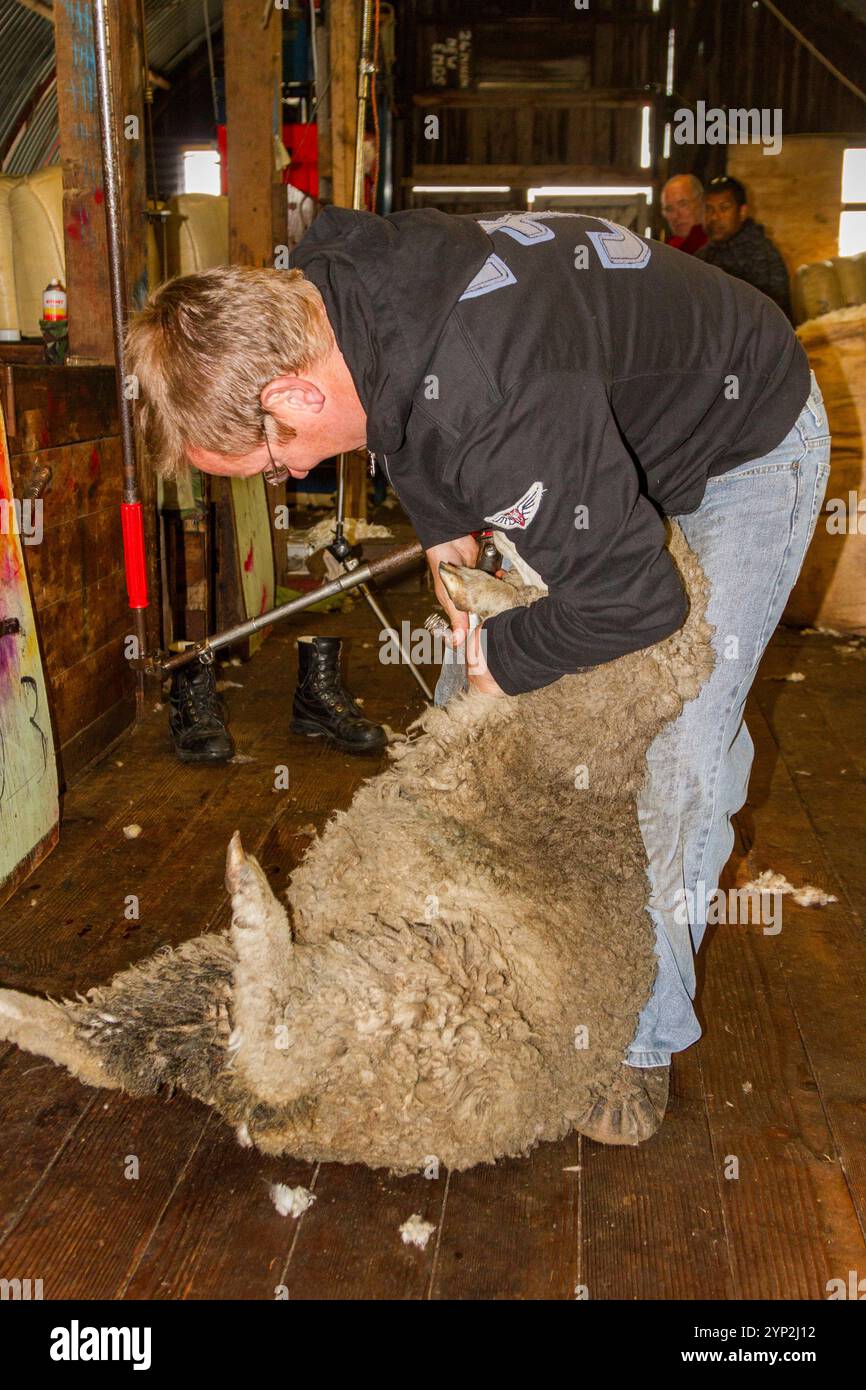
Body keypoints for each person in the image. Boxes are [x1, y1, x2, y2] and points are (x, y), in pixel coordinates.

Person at [126, 209, 830, 1146]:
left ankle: (643, 1041)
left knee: (685, 752)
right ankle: (448, 944)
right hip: (586, 424)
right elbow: (398, 400)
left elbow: (636, 602)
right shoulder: (322, 283)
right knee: (464, 713)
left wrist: (504, 654)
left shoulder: (495, 404)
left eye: (265, 462)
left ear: (293, 397)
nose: (276, 476)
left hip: (740, 442)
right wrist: (440, 521)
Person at [697, 175, 793, 319]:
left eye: (724, 208)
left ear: (742, 212)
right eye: (709, 209)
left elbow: (770, 317)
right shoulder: (702, 256)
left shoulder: (762, 254)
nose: (714, 217)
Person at [660, 174, 708, 254]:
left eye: (683, 204)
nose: (676, 215)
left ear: (701, 202)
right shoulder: (668, 250)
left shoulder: (718, 246)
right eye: (669, 209)